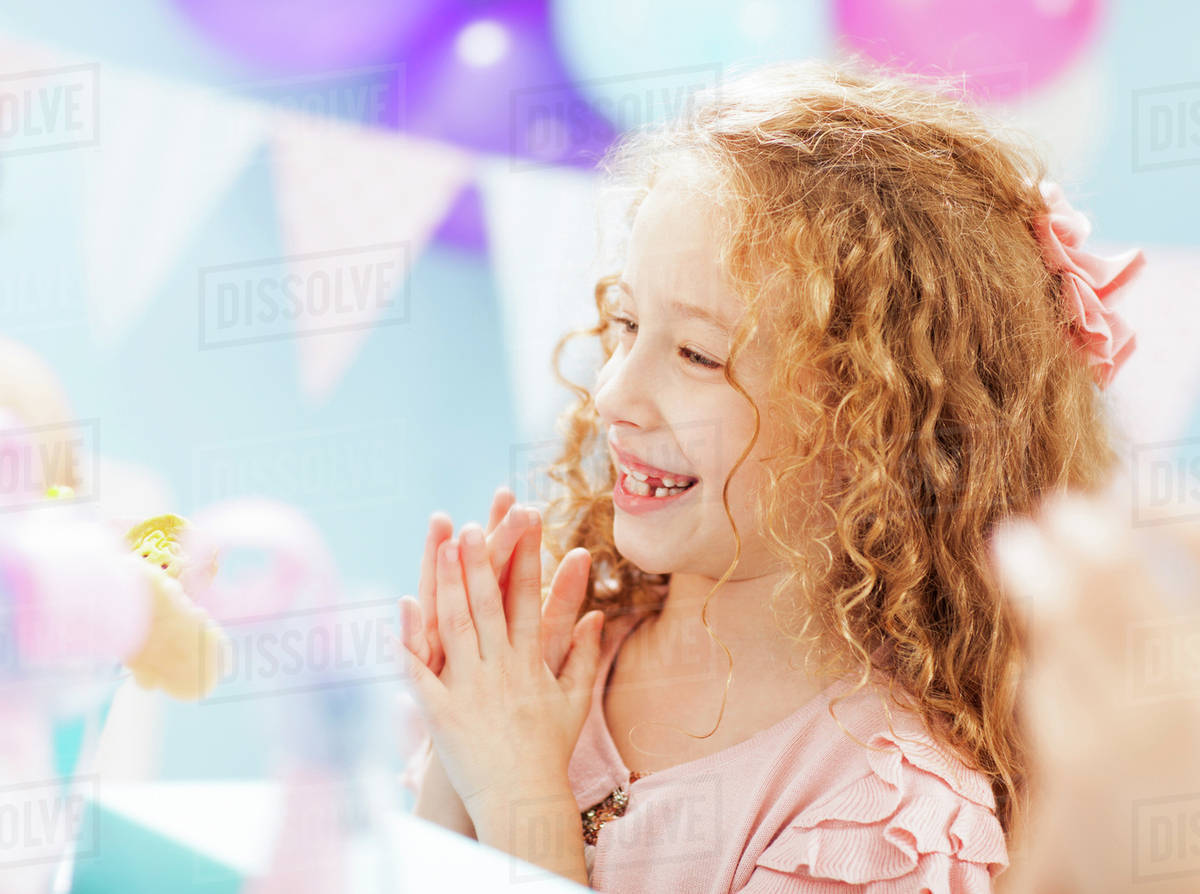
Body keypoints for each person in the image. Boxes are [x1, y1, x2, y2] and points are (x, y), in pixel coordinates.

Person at [396, 56, 1150, 892]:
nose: (614, 393)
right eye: (625, 323)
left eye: (696, 354)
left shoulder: (882, 816)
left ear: (871, 425)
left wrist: (517, 796)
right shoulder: (564, 657)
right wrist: (465, 726)